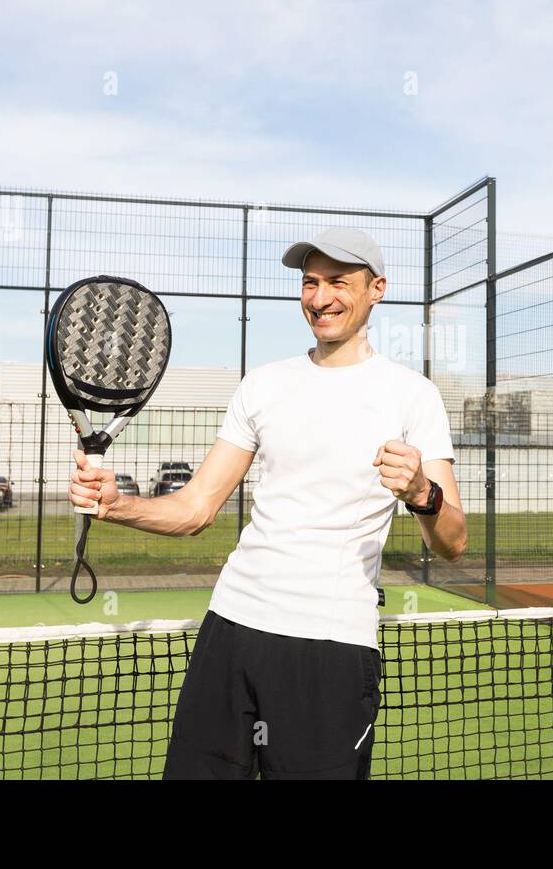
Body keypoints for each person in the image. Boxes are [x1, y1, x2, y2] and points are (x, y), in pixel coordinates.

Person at [68, 227, 466, 779]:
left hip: (330, 648)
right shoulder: (263, 385)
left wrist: (423, 492)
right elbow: (196, 507)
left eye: (337, 283)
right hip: (232, 628)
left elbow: (453, 542)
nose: (319, 298)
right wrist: (117, 504)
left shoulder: (412, 395)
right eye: (309, 282)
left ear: (376, 289)